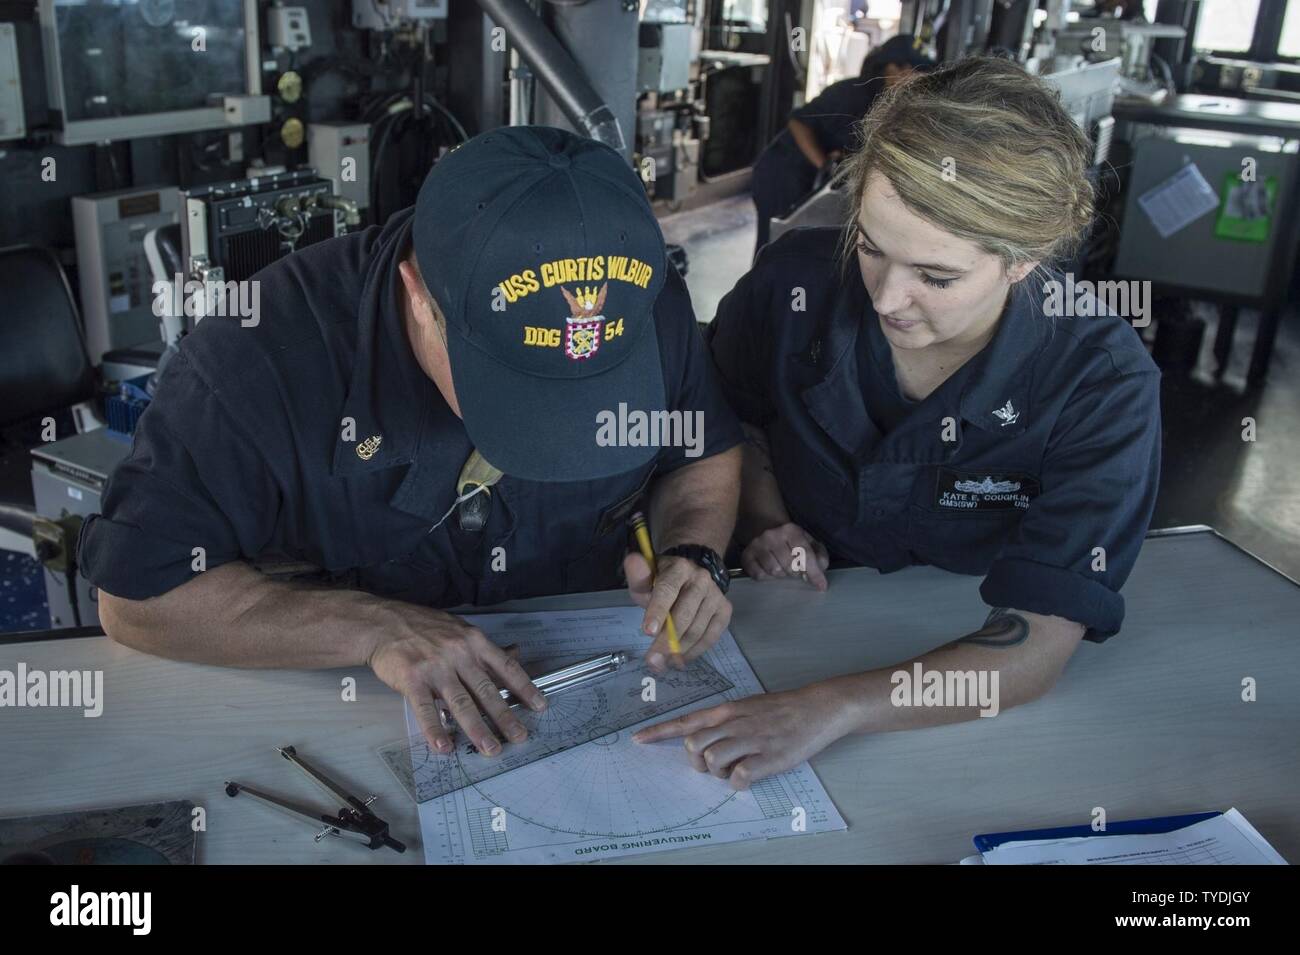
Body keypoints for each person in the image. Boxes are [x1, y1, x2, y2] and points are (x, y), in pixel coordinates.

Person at [79, 126, 743, 759]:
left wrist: (693, 550)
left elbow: (703, 454)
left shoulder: (641, 303)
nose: (560, 415)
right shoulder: (253, 362)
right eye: (519, 387)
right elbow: (138, 600)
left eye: (590, 387)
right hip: (350, 719)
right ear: (421, 298)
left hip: (589, 691)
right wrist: (375, 628)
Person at [635, 58, 1161, 788]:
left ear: (1025, 260)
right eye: (871, 247)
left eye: (936, 277)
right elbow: (728, 421)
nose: (885, 298)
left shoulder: (1099, 381)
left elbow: (1035, 647)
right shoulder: (795, 285)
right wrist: (764, 518)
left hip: (950, 662)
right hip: (775, 621)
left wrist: (830, 708)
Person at [749, 34, 933, 256]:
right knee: (775, 246)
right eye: (906, 68)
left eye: (920, 71)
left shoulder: (898, 104)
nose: (913, 77)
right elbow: (798, 123)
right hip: (782, 170)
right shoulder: (849, 93)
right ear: (887, 67)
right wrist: (824, 166)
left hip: (815, 177)